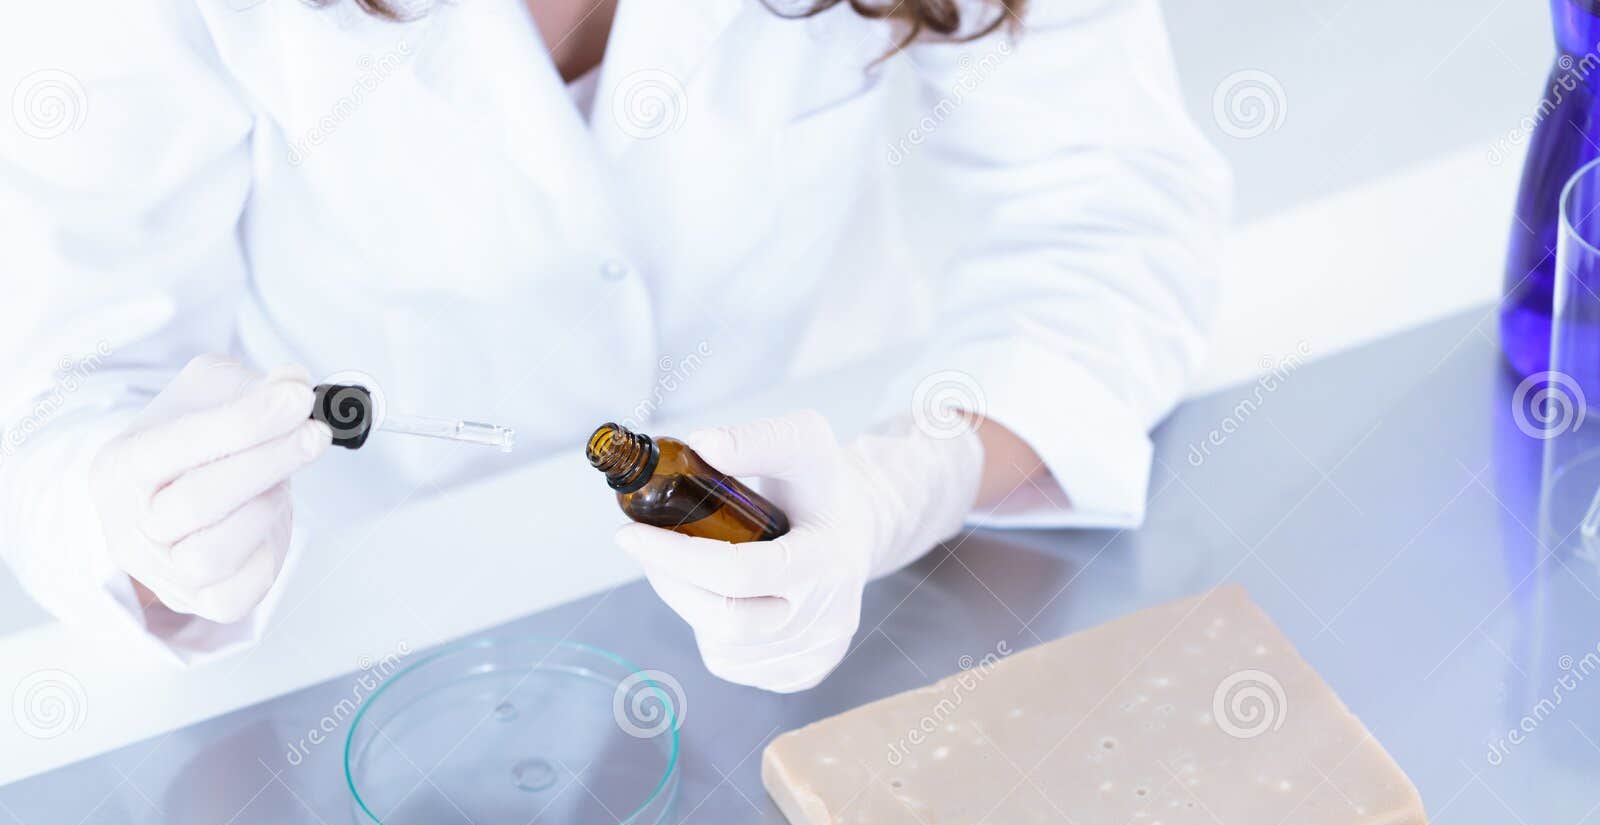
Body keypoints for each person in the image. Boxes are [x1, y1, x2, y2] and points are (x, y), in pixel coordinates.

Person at [0, 0, 1227, 690]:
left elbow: (1106, 218)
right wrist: (142, 520)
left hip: (838, 585)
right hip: (363, 622)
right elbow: (65, 384)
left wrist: (914, 476)